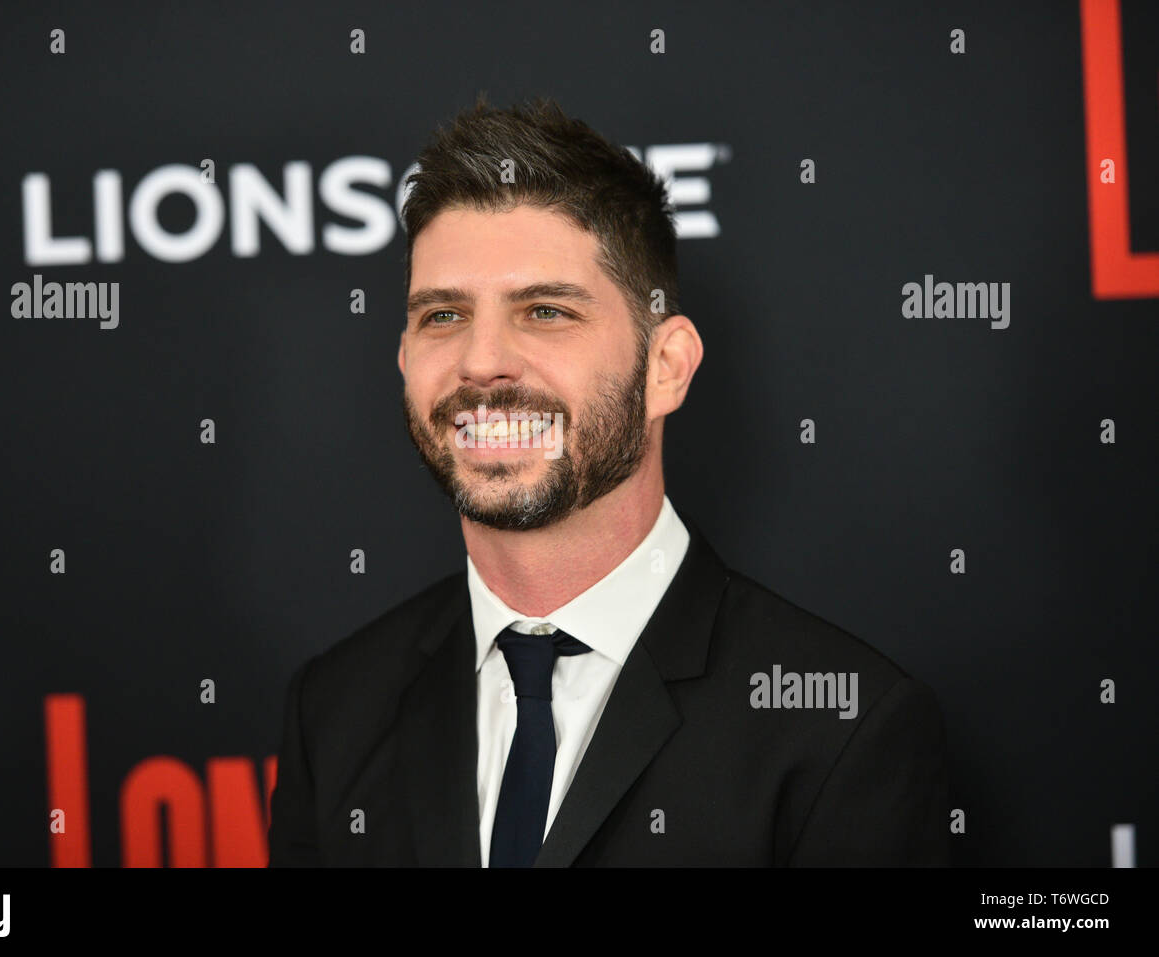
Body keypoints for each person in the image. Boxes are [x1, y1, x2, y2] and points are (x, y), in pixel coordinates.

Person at [268, 95, 949, 867]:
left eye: (546, 311)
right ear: (404, 361)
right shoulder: (335, 711)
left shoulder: (840, 730)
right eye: (443, 316)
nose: (481, 361)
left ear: (666, 367)